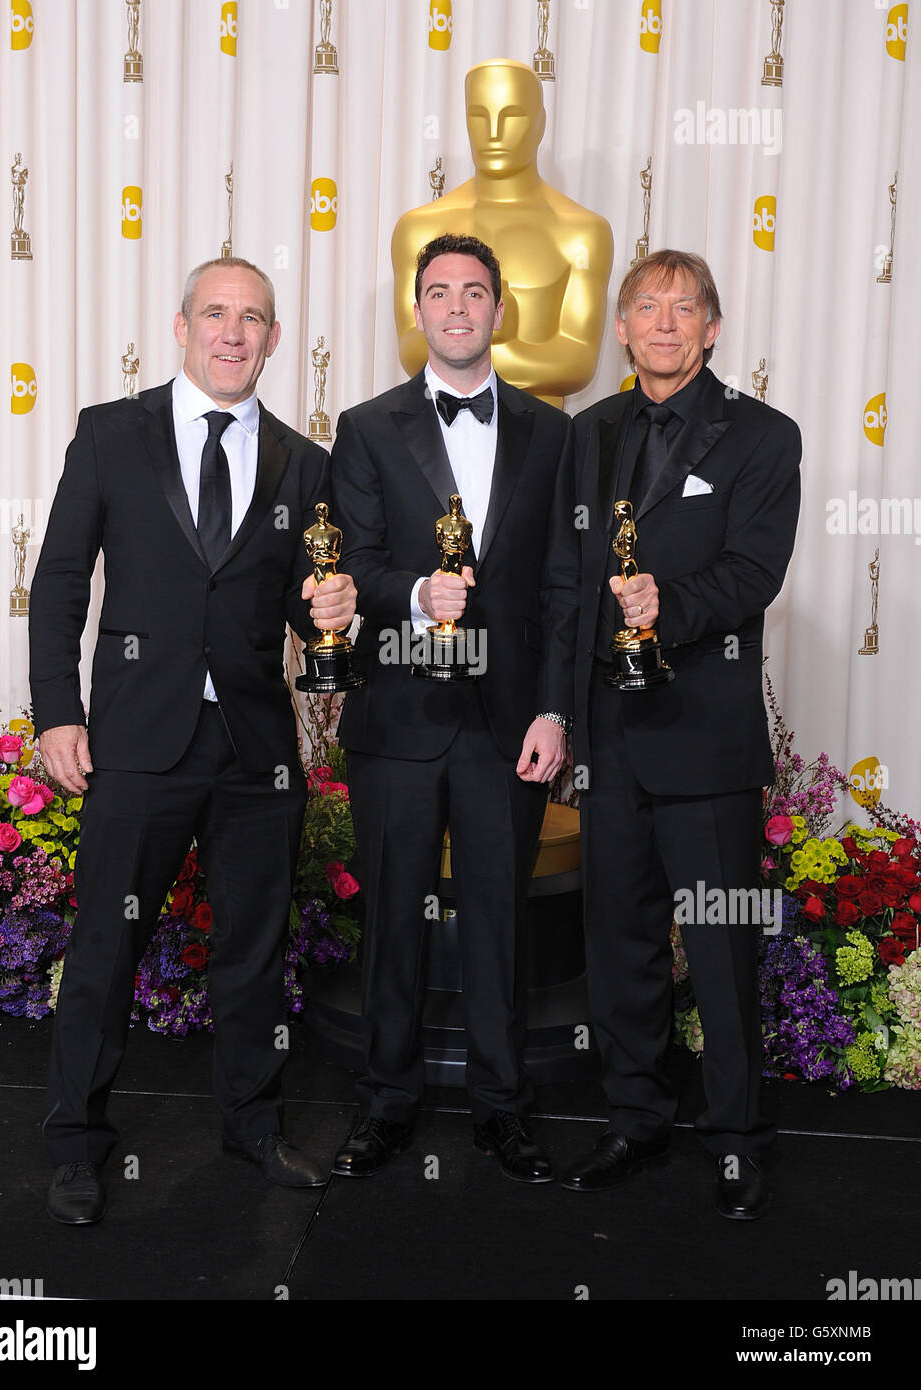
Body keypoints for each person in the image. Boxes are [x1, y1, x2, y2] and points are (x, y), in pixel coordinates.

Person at [29, 257, 357, 1224]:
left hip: (256, 749)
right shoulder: (109, 434)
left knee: (254, 953)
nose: (232, 332)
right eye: (215, 313)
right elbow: (57, 580)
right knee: (104, 946)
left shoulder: (306, 461)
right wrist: (57, 710)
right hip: (134, 739)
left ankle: (253, 1129)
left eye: (252, 318)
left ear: (273, 340)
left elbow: (310, 611)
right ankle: (77, 1145)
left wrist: (334, 605)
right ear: (180, 327)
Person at [328, 233, 577, 1183]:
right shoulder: (364, 427)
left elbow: (564, 587)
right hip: (396, 715)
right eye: (440, 293)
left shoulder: (554, 434)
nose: (458, 308)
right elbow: (345, 562)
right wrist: (412, 595)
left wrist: (554, 712)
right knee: (391, 915)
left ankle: (502, 1109)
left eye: (476, 292)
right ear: (418, 310)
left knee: (498, 919)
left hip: (505, 722)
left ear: (500, 311)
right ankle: (384, 1105)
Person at [563, 249, 801, 1220]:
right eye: (646, 306)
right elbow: (561, 585)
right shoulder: (586, 435)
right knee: (617, 945)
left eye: (684, 307)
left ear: (711, 328)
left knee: (720, 953)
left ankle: (738, 1141)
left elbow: (754, 571)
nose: (664, 322)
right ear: (621, 327)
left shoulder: (761, 436)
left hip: (703, 746)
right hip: (609, 741)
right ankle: (633, 1118)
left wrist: (670, 604)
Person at [391, 60, 612, 406]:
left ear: (540, 124)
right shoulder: (419, 228)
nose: (493, 132)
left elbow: (578, 361)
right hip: (434, 438)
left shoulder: (582, 232)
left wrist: (466, 347)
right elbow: (410, 348)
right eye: (479, 116)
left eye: (512, 117)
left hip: (541, 446)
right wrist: (512, 349)